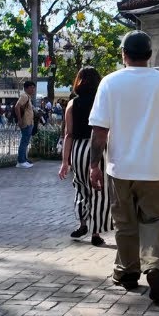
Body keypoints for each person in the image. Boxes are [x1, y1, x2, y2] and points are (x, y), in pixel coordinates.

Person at [88, 31, 159, 306]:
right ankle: (156, 267)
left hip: (120, 168)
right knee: (158, 220)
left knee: (125, 223)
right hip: (156, 168)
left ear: (124, 54)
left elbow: (99, 131)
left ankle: (127, 272)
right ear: (149, 54)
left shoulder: (109, 83)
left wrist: (93, 166)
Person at [58, 67, 110, 246]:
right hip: (99, 148)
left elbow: (68, 134)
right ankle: (96, 233)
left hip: (78, 149)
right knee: (99, 191)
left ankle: (82, 223)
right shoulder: (103, 101)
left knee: (80, 187)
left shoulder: (72, 104)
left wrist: (65, 161)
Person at [14, 81, 37, 168]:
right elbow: (17, 107)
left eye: (33, 87)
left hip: (29, 122)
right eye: (31, 87)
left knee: (26, 142)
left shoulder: (28, 97)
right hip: (26, 122)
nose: (33, 89)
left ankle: (23, 159)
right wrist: (19, 120)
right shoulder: (24, 96)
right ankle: (21, 161)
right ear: (26, 88)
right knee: (24, 142)